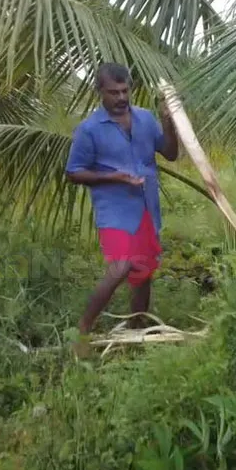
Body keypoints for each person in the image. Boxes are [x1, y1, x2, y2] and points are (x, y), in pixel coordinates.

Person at [65, 62, 179, 355]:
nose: (121, 97)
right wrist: (112, 177)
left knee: (143, 272)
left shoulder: (145, 119)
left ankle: (137, 331)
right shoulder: (89, 130)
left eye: (125, 90)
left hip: (146, 208)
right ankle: (82, 331)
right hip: (114, 210)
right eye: (113, 92)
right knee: (122, 266)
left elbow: (170, 153)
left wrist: (168, 122)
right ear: (100, 92)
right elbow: (74, 172)